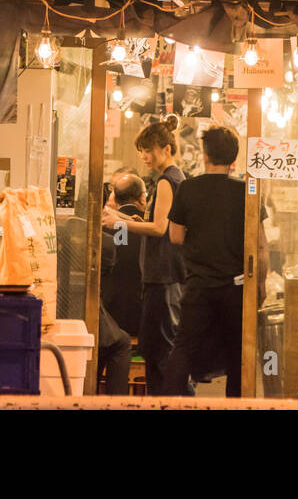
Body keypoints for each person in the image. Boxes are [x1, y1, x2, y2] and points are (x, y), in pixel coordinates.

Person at [163, 126, 265, 398]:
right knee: (237, 352)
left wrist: (200, 243)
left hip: (199, 285)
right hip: (236, 287)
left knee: (183, 347)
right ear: (234, 158)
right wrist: (260, 286)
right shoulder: (247, 192)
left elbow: (175, 236)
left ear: (205, 155)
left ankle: (169, 403)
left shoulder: (188, 188)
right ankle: (234, 405)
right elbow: (261, 245)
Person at [103, 117, 184, 393]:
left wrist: (120, 223)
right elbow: (161, 222)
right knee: (160, 350)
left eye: (149, 150)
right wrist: (133, 218)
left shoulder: (165, 180)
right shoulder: (175, 178)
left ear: (166, 149)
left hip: (161, 278)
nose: (144, 156)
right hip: (166, 278)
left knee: (158, 353)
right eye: (142, 150)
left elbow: (160, 228)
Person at [96, 173, 146, 395]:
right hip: (139, 318)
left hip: (109, 313)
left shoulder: (105, 225)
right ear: (142, 199)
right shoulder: (147, 227)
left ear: (115, 199)